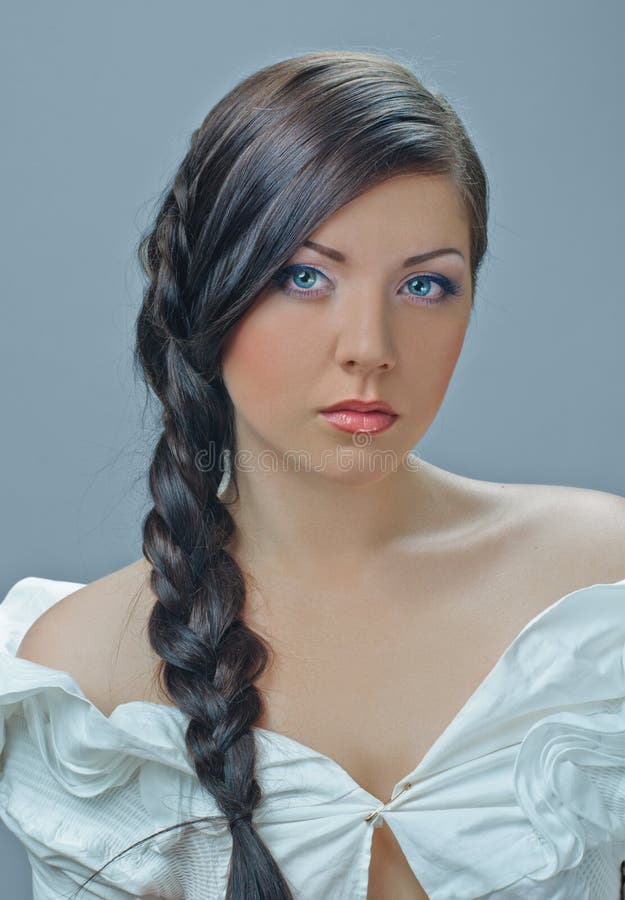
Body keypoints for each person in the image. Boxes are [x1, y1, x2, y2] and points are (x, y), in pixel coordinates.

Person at [1, 48, 625, 900]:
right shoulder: (81, 672)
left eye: (425, 285)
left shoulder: (599, 582)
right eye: (305, 277)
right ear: (207, 293)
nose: (369, 345)